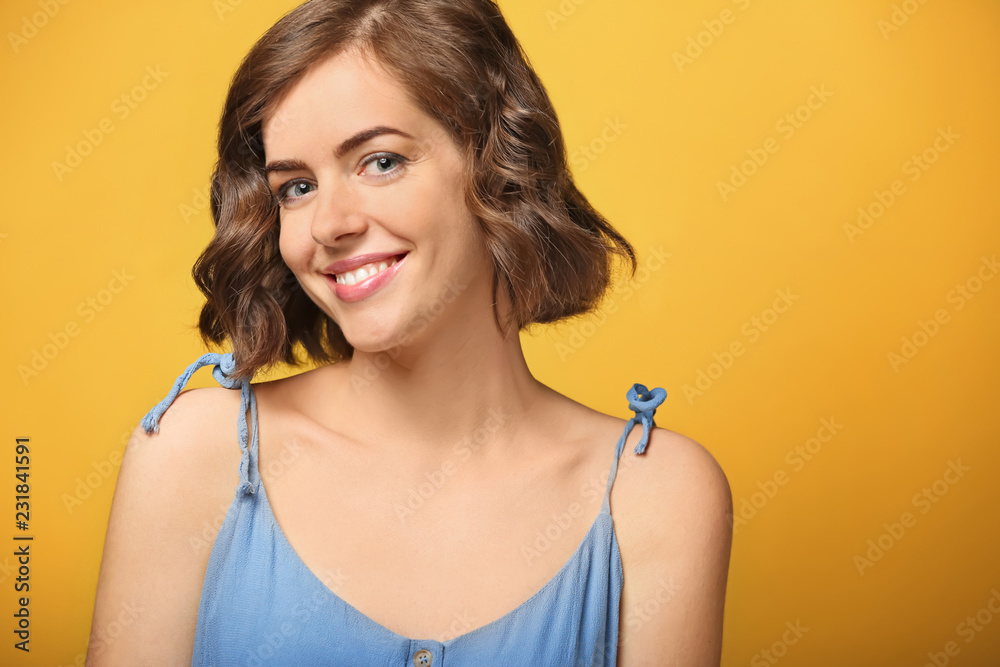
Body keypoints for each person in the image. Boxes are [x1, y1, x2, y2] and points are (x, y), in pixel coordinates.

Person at [87, 0, 733, 664]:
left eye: (381, 162)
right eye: (297, 187)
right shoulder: (196, 455)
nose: (330, 223)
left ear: (497, 166)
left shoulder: (655, 496)